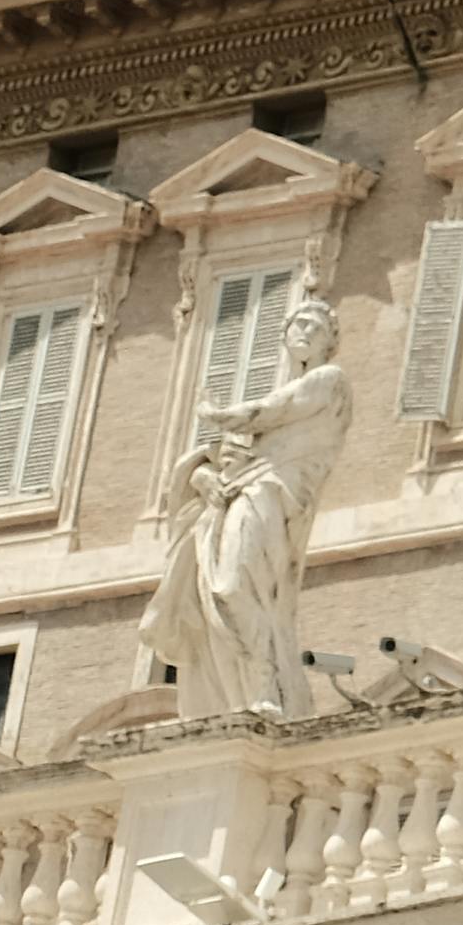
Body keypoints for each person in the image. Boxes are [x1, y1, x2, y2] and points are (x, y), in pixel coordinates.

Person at [139, 291, 354, 716]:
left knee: (233, 586)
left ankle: (263, 683)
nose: (306, 331)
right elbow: (216, 459)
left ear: (331, 341)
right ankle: (243, 691)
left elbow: (274, 409)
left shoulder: (331, 381)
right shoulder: (268, 422)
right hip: (245, 493)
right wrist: (202, 476)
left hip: (275, 495)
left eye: (317, 326)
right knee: (218, 592)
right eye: (299, 323)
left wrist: (218, 414)